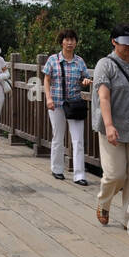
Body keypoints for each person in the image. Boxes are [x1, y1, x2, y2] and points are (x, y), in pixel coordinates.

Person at [94, 23, 129, 225]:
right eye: (125, 43)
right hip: (113, 127)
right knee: (116, 174)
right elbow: (104, 98)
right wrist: (109, 125)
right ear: (114, 41)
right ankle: (104, 202)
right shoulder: (105, 64)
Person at [42, 29, 93, 185]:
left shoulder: (79, 61)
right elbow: (46, 80)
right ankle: (57, 169)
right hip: (56, 103)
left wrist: (85, 81)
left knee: (78, 139)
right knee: (58, 136)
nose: (70, 43)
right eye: (67, 40)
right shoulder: (53, 60)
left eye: (73, 40)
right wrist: (48, 98)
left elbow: (86, 77)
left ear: (76, 42)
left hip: (75, 103)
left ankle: (79, 175)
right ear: (62, 42)